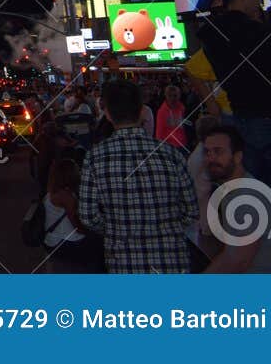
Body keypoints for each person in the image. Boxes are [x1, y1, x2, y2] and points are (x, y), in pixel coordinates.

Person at [197, 0, 271, 213]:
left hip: (238, 116)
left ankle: (263, 233)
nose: (258, 1)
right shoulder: (254, 30)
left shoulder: (210, 33)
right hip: (269, 117)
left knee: (255, 192)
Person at [77, 79, 197, 273]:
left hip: (124, 262)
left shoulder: (94, 158)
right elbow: (191, 210)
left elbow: (88, 216)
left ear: (107, 114)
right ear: (142, 111)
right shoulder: (170, 153)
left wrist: (117, 229)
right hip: (172, 260)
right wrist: (166, 227)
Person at [196, 122, 271, 273]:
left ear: (237, 157)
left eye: (218, 151)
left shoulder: (248, 197)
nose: (211, 158)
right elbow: (210, 233)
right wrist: (203, 191)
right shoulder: (233, 191)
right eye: (207, 152)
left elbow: (238, 262)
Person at [40, 156, 102, 270]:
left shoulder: (52, 190)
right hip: (63, 243)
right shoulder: (66, 196)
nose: (80, 172)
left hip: (50, 240)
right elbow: (78, 227)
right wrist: (93, 231)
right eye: (78, 170)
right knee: (100, 245)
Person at [154, 84, 188, 149]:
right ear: (166, 96)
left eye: (175, 95)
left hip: (183, 144)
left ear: (179, 96)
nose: (172, 98)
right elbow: (159, 132)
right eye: (170, 95)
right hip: (168, 146)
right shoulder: (162, 111)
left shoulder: (183, 108)